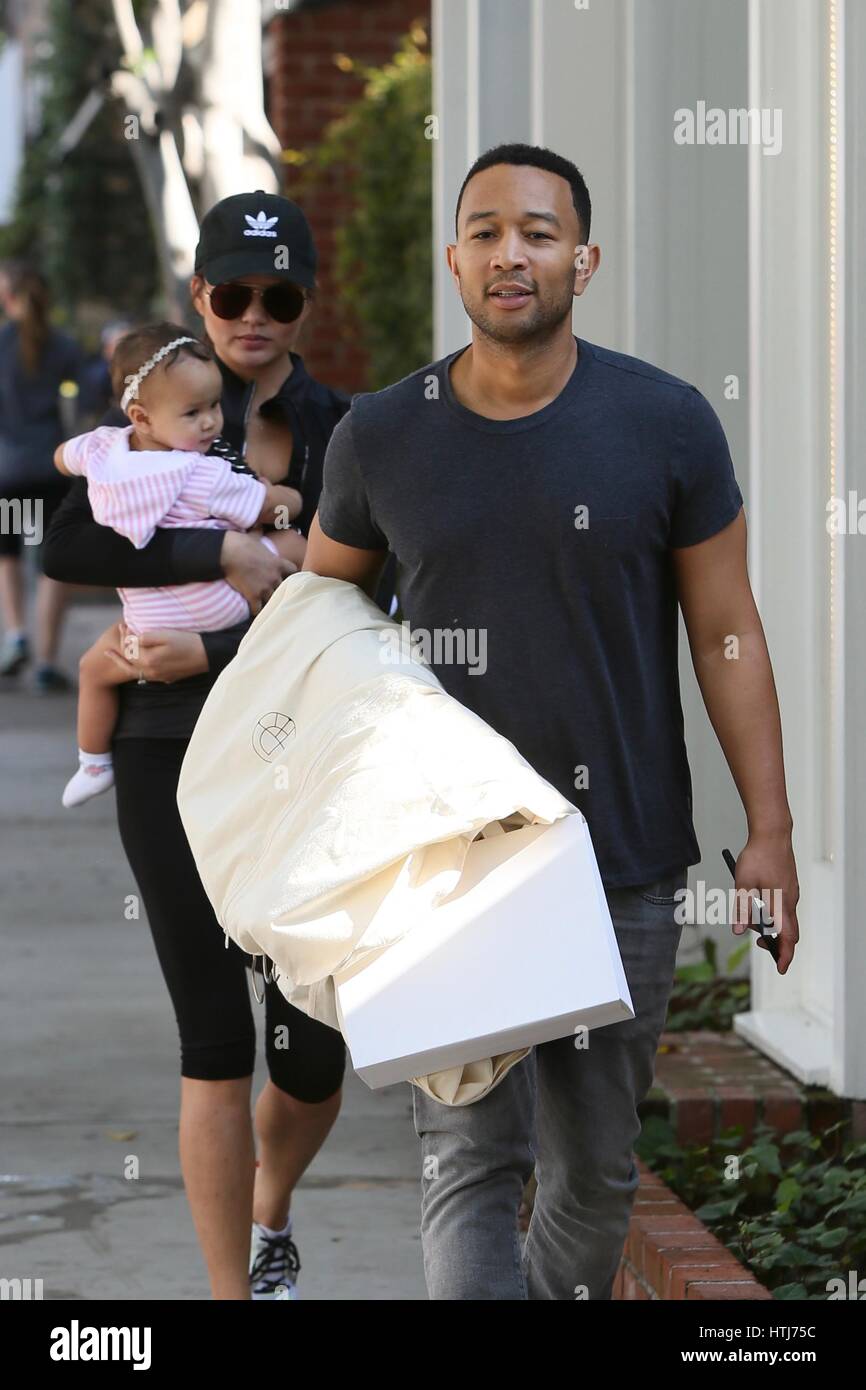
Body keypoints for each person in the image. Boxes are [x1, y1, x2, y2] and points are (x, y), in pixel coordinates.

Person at [302, 142, 801, 1299]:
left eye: (534, 231)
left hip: (620, 855)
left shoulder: (664, 423)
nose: (507, 253)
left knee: (592, 1173)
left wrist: (768, 829)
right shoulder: (382, 435)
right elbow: (315, 635)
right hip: (446, 865)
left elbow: (725, 631)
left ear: (583, 258)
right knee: (469, 1160)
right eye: (483, 231)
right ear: (452, 259)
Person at [43, 192, 388, 1299]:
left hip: (299, 750)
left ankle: (269, 1205)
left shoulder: (348, 430)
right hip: (162, 747)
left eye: (275, 296)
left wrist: (223, 645)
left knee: (311, 1047)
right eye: (231, 292)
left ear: (303, 307)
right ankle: (227, 1293)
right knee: (210, 1033)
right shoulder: (158, 415)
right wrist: (215, 552)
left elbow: (366, 593)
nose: (251, 313)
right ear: (201, 295)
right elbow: (66, 539)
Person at [54, 322, 303, 808]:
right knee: (294, 545)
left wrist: (73, 455)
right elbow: (261, 507)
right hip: (218, 607)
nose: (211, 423)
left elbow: (64, 457)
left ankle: (91, 762)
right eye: (194, 412)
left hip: (147, 625)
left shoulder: (105, 451)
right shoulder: (197, 471)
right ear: (142, 416)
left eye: (214, 406)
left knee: (94, 669)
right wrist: (289, 499)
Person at [0, 263, 83, 690]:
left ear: (8, 295)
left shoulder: (1, 345)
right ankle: (47, 660)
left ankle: (16, 635)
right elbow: (88, 392)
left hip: (8, 474)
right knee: (50, 565)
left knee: (9, 557)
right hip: (52, 471)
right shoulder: (64, 346)